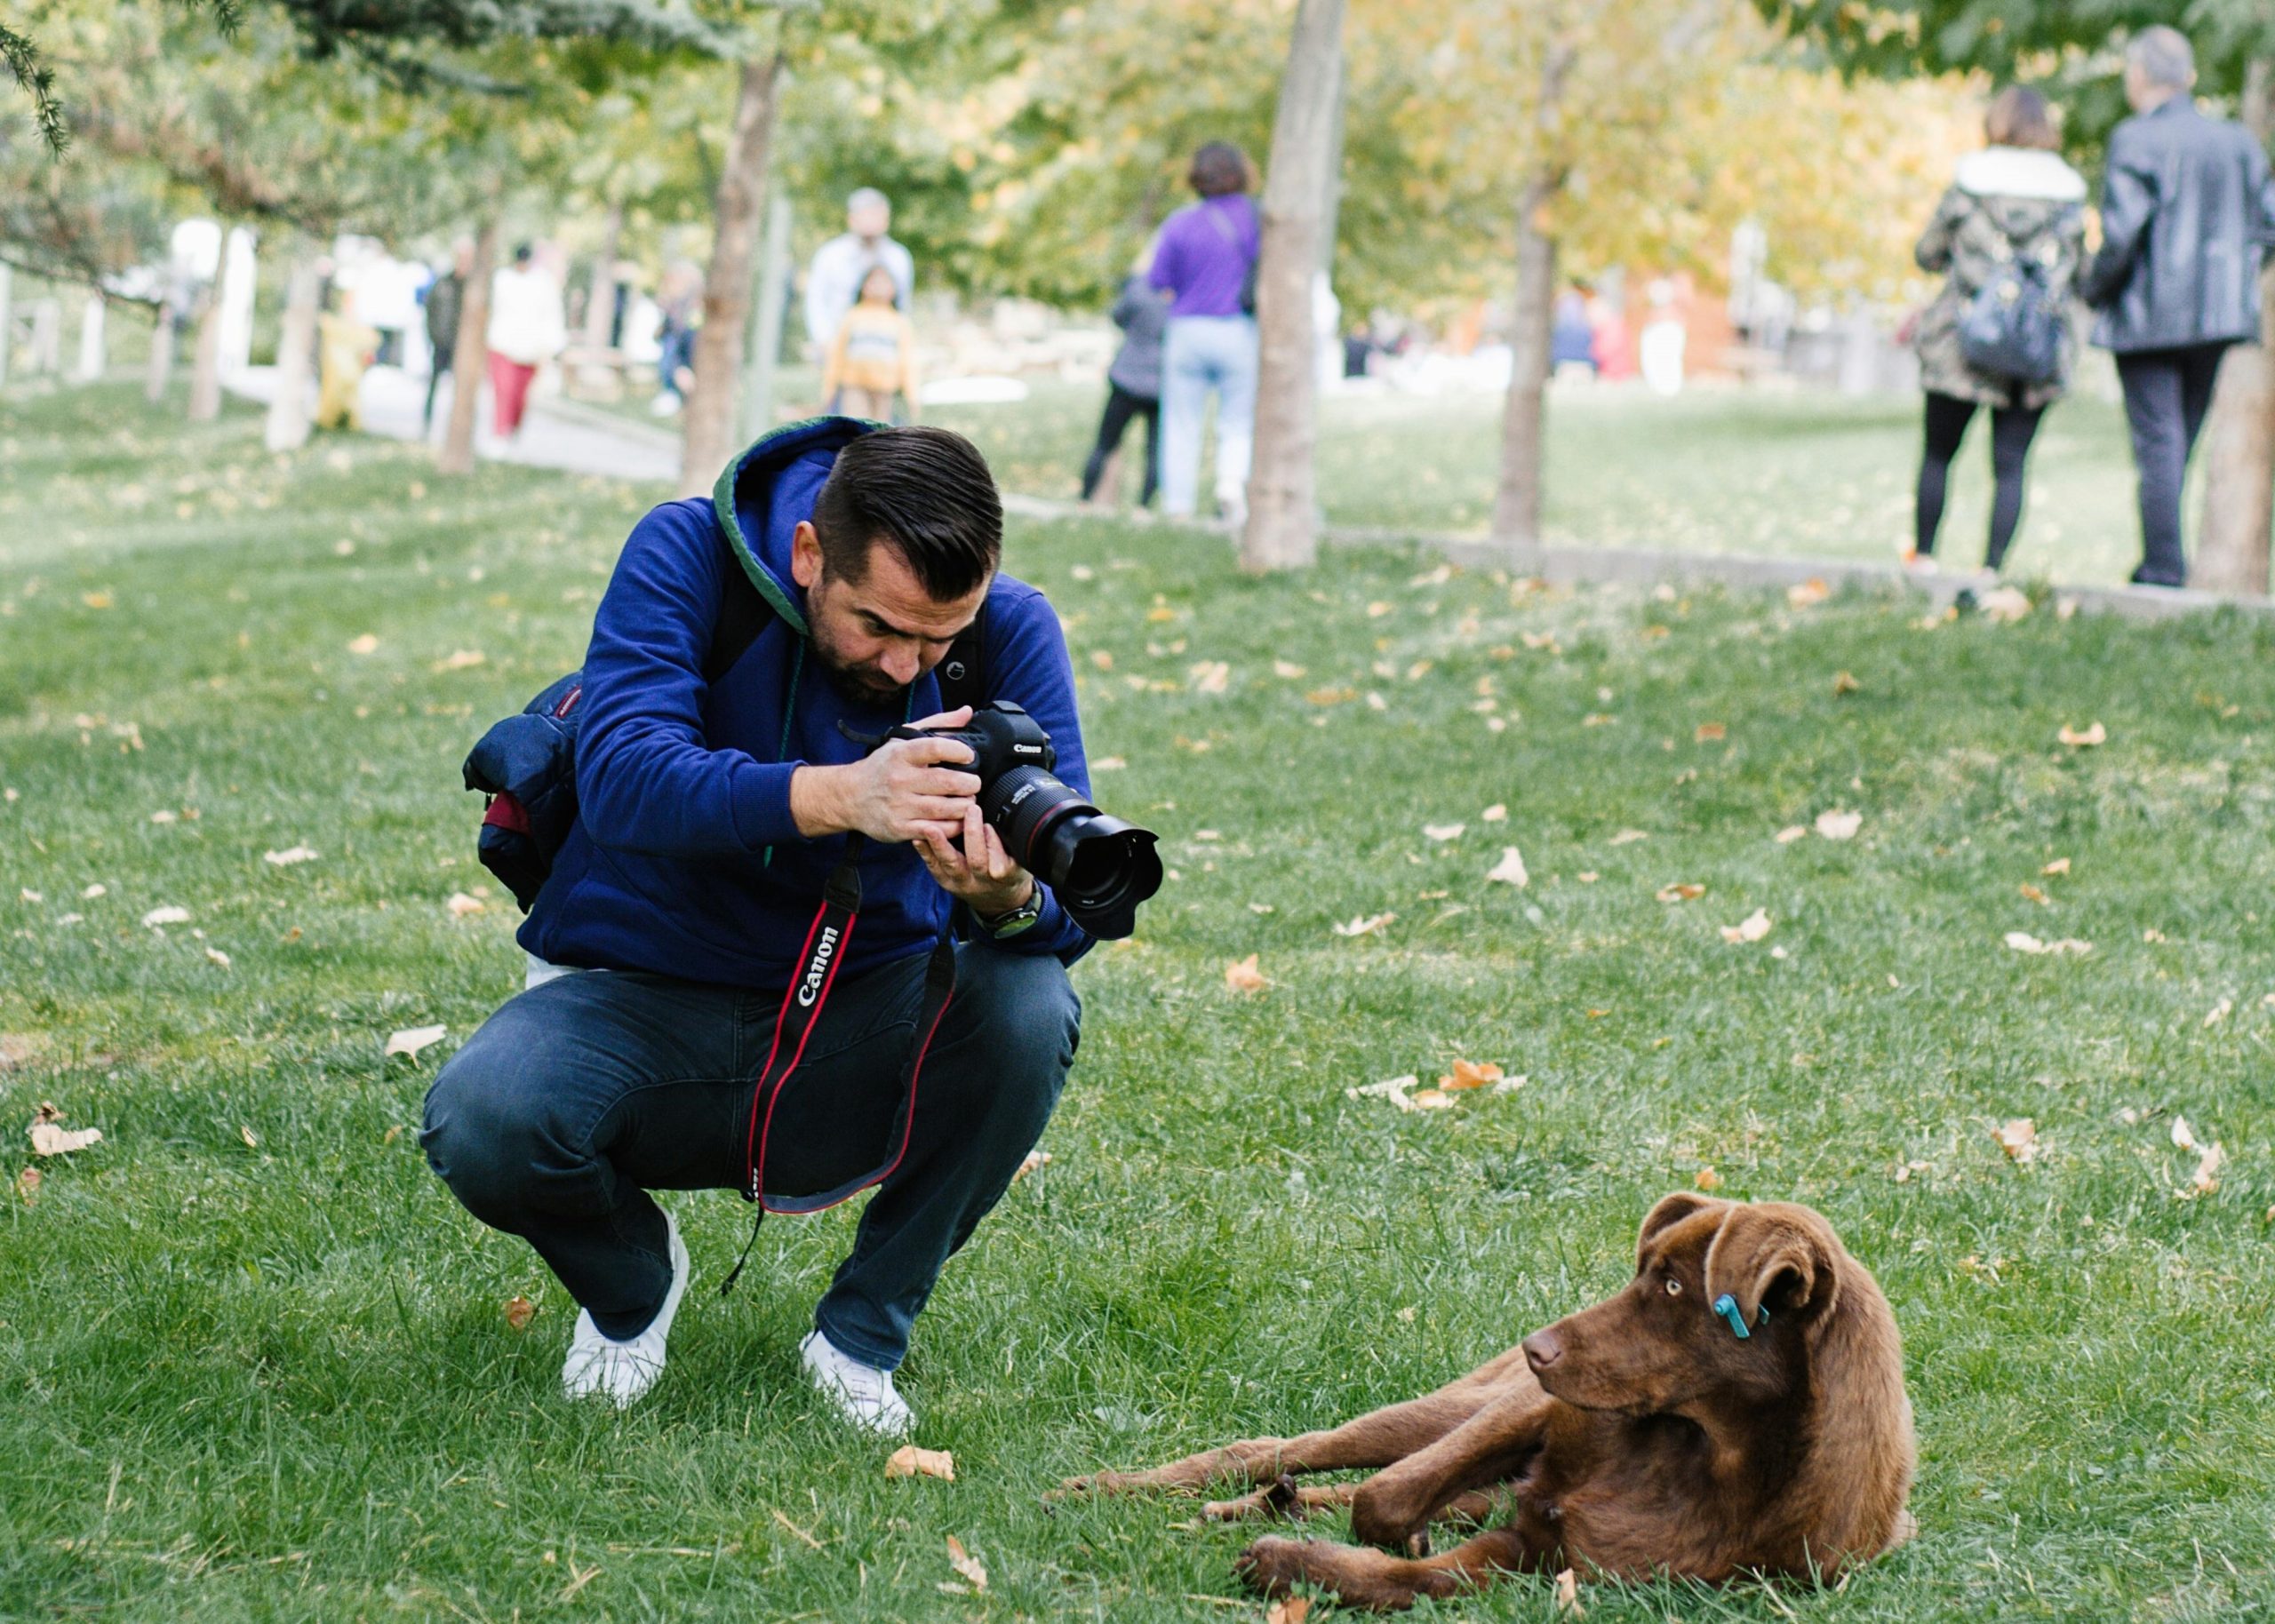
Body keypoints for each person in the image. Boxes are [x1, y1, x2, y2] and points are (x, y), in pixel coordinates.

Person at [420, 421, 1090, 1434]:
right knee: (484, 1117)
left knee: (1028, 1000)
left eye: (939, 638)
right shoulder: (686, 550)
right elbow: (623, 780)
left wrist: (1004, 900)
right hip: (638, 991)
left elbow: (1080, 892)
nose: (908, 666)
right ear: (809, 553)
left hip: (857, 1015)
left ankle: (861, 1336)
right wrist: (844, 796)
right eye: (879, 626)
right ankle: (632, 1285)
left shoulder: (1010, 629)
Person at [2079, 26, 2275, 587]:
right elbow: (2268, 223)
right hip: (2217, 318)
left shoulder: (2135, 138)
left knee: (2159, 444)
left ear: (2138, 76)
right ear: (2186, 75)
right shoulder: (2237, 141)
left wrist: (2093, 291)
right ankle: (2160, 561)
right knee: (2178, 441)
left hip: (2148, 317)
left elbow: (2121, 235)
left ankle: (2163, 568)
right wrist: (2235, 273)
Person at [1907, 86, 2087, 582]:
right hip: (2034, 351)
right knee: (2010, 465)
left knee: (1939, 453)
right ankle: (1991, 572)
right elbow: (2078, 273)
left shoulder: (1970, 182)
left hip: (1961, 342)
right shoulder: (2069, 196)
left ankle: (1923, 561)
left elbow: (1927, 252)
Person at [1149, 141, 1260, 525]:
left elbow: (1159, 281)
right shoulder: (1255, 218)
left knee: (1180, 423)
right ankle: (1231, 486)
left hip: (1187, 330)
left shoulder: (1179, 222)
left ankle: (1178, 506)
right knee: (1237, 420)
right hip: (1237, 330)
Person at [1080, 265, 1169, 506]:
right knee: (1155, 452)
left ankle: (1084, 501)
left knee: (1104, 443)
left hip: (1127, 378)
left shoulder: (1140, 287)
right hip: (1162, 383)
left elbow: (1117, 316)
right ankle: (1144, 508)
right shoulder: (1185, 293)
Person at [804, 188, 916, 355]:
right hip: (836, 349)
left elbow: (903, 306)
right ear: (852, 219)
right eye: (866, 215)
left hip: (884, 353)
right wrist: (824, 340)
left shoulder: (898, 258)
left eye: (876, 215)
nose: (871, 221)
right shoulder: (831, 256)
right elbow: (816, 301)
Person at [485, 243, 568, 440]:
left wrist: (551, 346)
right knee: (504, 390)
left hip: (530, 349)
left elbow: (551, 315)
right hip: (502, 345)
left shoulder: (543, 283)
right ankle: (500, 431)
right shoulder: (502, 280)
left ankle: (513, 430)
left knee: (520, 396)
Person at [822, 263, 922, 422]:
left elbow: (907, 360)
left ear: (893, 289)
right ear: (864, 286)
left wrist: (912, 395)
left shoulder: (899, 322)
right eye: (873, 281)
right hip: (854, 385)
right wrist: (829, 389)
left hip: (885, 389)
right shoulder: (852, 317)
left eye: (884, 282)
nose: (878, 286)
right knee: (855, 427)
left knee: (880, 434)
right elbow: (837, 355)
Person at [422, 239, 470, 433]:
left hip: (462, 345)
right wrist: (434, 335)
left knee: (460, 388)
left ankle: (456, 426)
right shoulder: (443, 283)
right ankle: (427, 420)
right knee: (434, 383)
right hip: (442, 341)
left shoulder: (472, 287)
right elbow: (431, 309)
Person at [313, 289, 379, 432]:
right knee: (336, 396)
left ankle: (342, 421)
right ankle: (331, 421)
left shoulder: (350, 326)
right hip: (340, 369)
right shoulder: (339, 325)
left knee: (349, 397)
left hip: (348, 369)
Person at [649, 260, 702, 418]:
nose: (666, 288)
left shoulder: (692, 309)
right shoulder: (675, 307)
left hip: (683, 363)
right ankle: (671, 394)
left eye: (670, 282)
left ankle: (675, 396)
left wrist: (683, 367)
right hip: (675, 364)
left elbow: (689, 339)